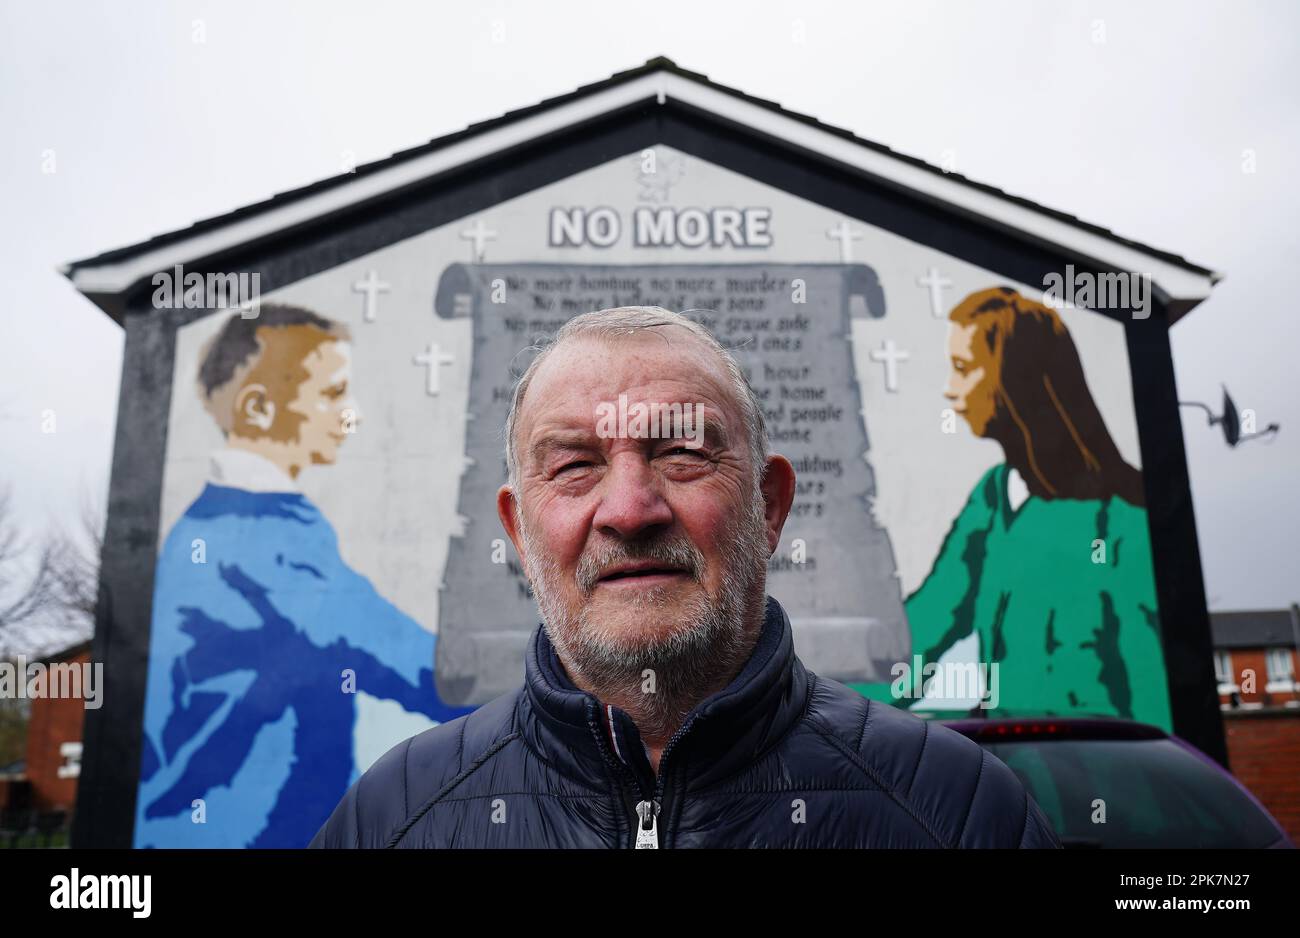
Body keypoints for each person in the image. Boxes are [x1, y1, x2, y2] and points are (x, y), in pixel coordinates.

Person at [310, 305, 1060, 848]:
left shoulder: (958, 812)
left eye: (683, 454)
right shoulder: (392, 818)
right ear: (518, 531)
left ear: (768, 506)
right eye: (574, 465)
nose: (631, 511)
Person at [136, 304, 468, 849]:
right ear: (260, 409)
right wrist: (553, 695)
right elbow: (402, 657)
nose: (351, 413)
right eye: (334, 394)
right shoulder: (265, 540)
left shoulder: (218, 523)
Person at [858, 287, 1171, 726]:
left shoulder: (1120, 515)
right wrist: (823, 714)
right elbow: (925, 632)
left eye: (964, 370)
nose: (951, 391)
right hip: (1020, 774)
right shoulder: (992, 497)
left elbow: (1149, 689)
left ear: (1015, 377)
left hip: (1103, 777)